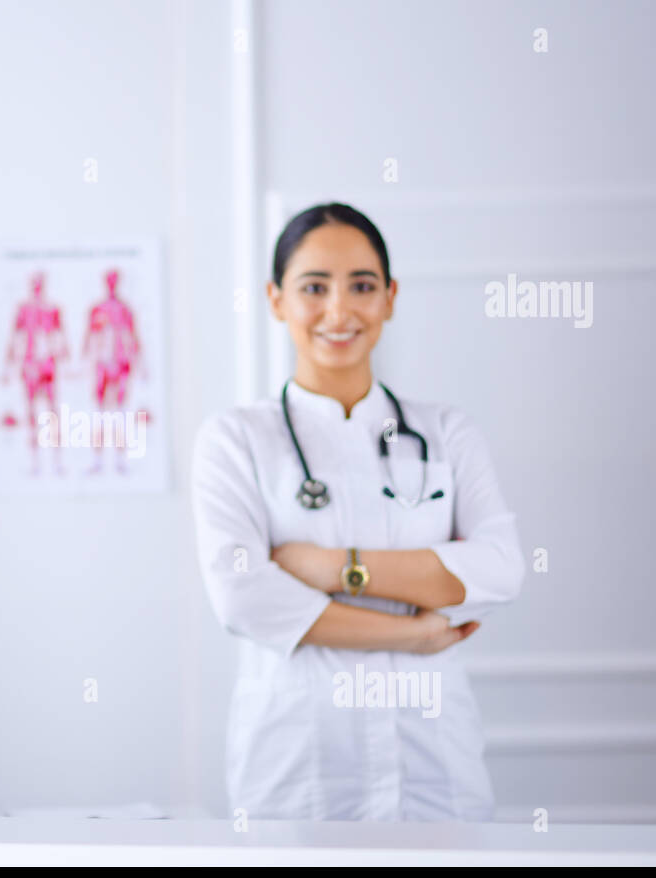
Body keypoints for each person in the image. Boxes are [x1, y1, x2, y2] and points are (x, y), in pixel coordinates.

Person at [191, 202, 525, 821]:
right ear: (275, 299)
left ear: (391, 298)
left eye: (362, 286)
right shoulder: (234, 440)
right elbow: (244, 599)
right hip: (298, 770)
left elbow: (501, 568)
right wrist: (413, 632)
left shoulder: (447, 433)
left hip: (433, 765)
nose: (339, 311)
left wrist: (330, 567)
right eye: (314, 287)